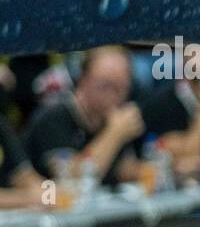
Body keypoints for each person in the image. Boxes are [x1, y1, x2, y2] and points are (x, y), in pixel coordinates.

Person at [23, 45, 144, 187]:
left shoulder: (113, 117)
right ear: (83, 80)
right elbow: (73, 180)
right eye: (105, 86)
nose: (113, 96)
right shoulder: (53, 117)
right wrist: (114, 134)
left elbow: (125, 171)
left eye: (120, 88)